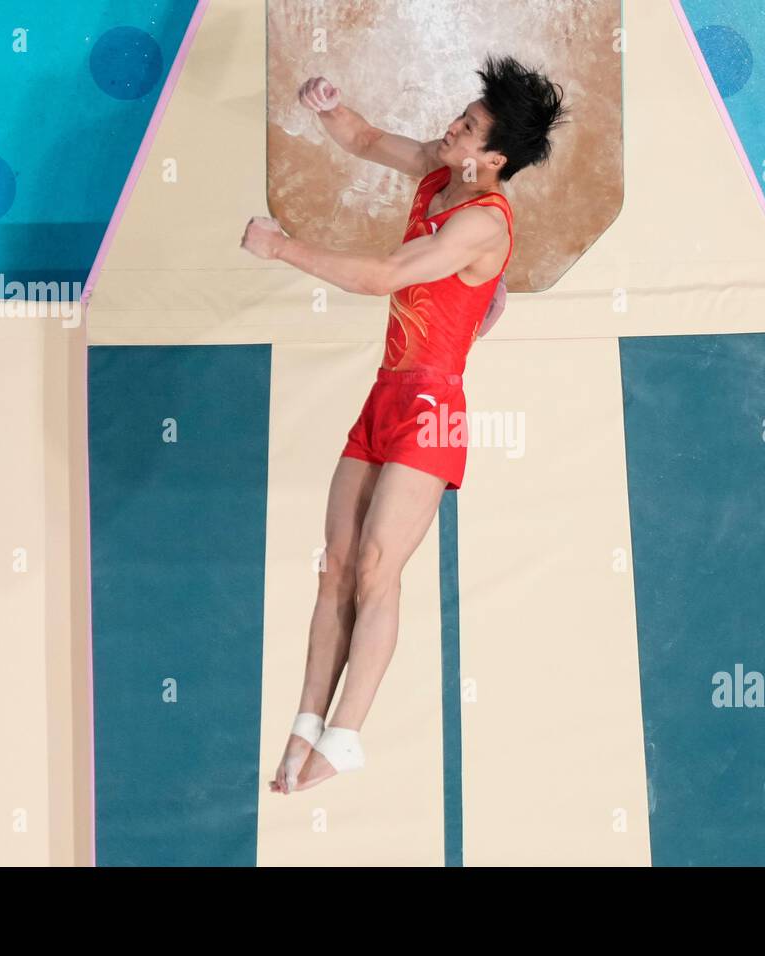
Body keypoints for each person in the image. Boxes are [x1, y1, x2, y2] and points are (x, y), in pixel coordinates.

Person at [241, 54, 567, 794]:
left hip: (433, 409)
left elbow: (388, 278)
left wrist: (281, 247)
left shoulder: (482, 221)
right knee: (336, 562)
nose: (452, 128)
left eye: (470, 128)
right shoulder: (439, 170)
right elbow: (365, 140)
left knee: (378, 565)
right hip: (387, 393)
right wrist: (327, 105)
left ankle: (347, 735)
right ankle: (305, 721)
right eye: (462, 116)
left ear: (494, 160)